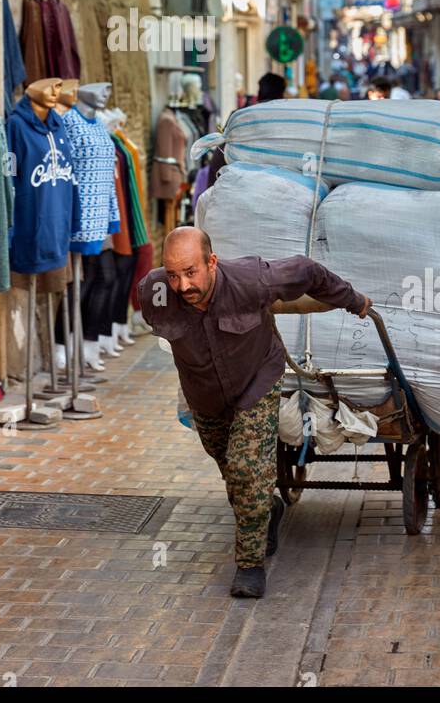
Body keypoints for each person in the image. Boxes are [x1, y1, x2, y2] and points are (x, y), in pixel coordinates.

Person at [138, 228, 371, 599]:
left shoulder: (251, 280)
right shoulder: (154, 293)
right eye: (172, 274)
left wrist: (353, 300)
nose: (181, 285)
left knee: (247, 469)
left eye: (191, 272)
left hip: (256, 383)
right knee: (231, 469)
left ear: (211, 262)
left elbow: (307, 271)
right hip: (206, 396)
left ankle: (250, 564)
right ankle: (268, 507)